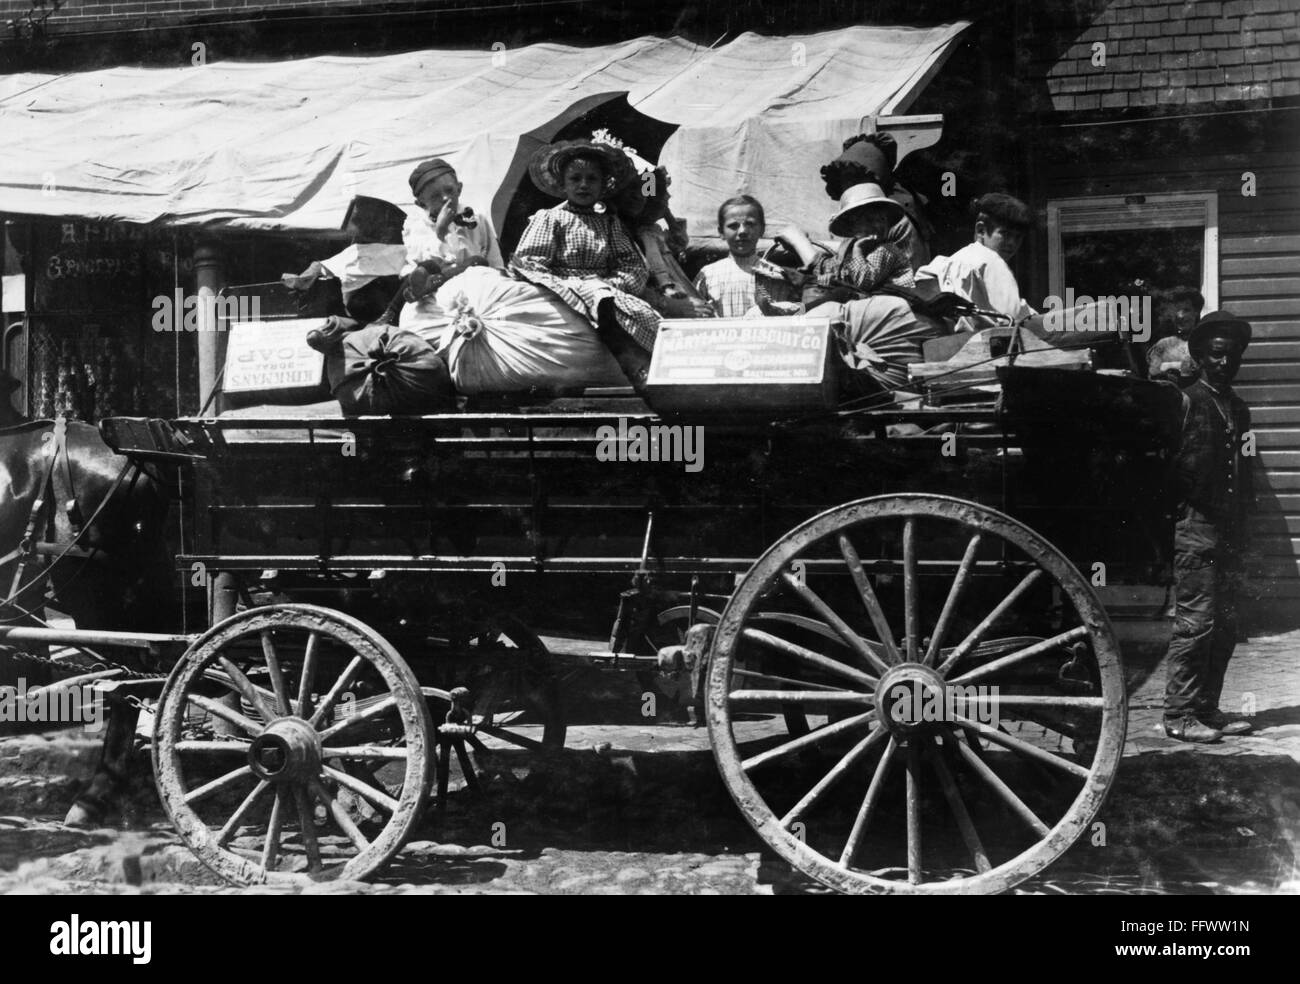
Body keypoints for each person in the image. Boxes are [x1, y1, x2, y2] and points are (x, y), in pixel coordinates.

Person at [1162, 311, 1256, 743]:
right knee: (1195, 623)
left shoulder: (1239, 408)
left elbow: (1248, 468)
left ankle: (1205, 707)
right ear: (1200, 356)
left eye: (1232, 355)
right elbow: (1166, 471)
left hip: (1231, 530)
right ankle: (1178, 713)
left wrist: (1244, 525)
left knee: (1226, 623)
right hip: (1196, 526)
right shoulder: (1183, 401)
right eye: (1217, 355)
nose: (1224, 362)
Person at [510, 139, 661, 384]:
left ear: (602, 186)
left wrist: (610, 283)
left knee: (642, 312)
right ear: (563, 184)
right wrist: (568, 284)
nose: (583, 185)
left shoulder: (609, 223)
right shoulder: (551, 218)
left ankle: (657, 365)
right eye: (575, 179)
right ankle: (634, 365)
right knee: (598, 297)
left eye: (592, 179)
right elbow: (529, 262)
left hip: (603, 287)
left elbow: (632, 265)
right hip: (560, 286)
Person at [917, 193, 1035, 333]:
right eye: (1005, 234)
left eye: (1018, 237)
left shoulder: (945, 262)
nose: (1012, 243)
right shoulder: (991, 262)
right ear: (981, 230)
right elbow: (1012, 318)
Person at [820, 133, 932, 271]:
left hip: (894, 289)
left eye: (854, 177)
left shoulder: (889, 216)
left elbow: (860, 274)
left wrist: (805, 249)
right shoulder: (871, 209)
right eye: (843, 178)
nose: (847, 185)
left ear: (875, 178)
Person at [694, 195, 769, 317]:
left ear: (762, 229)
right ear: (721, 232)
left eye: (750, 224)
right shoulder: (708, 275)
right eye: (733, 226)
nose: (742, 231)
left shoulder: (774, 275)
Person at [1147, 285, 1205, 381]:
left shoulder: (1204, 342)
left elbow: (1200, 371)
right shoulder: (1164, 344)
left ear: (1196, 311)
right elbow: (1153, 373)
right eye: (1176, 310)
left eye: (1186, 310)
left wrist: (1166, 366)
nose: (1180, 316)